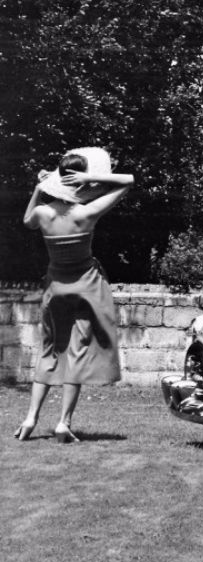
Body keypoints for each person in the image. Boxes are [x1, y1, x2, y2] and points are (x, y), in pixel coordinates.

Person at [14, 147, 134, 443]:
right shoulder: (86, 213)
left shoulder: (42, 213)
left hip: (55, 288)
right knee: (77, 354)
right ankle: (63, 423)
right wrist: (91, 178)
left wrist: (39, 187)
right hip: (86, 289)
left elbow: (27, 219)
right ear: (79, 182)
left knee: (49, 351)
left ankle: (30, 418)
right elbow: (127, 181)